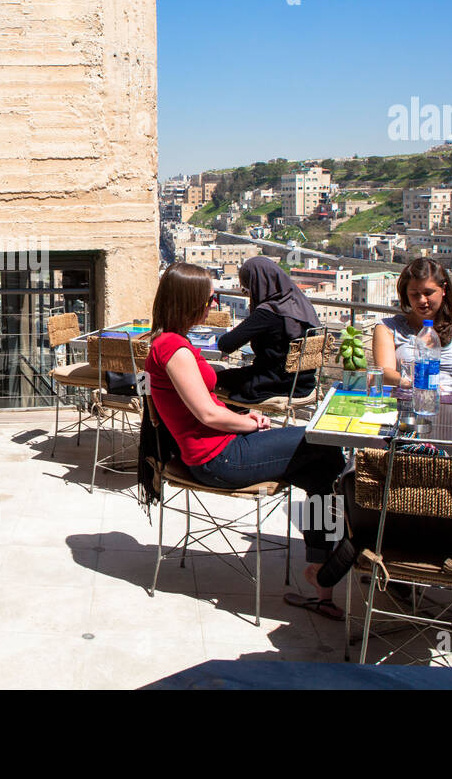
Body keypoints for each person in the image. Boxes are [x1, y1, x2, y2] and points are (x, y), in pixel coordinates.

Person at [144, 262, 352, 620]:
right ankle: (339, 549)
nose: (214, 303)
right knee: (322, 447)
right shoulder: (174, 349)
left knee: (323, 472)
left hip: (220, 447)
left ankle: (323, 576)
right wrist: (246, 422)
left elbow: (207, 406)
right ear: (190, 301)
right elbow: (207, 415)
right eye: (210, 298)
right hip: (216, 458)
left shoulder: (174, 344)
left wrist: (242, 419)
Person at [373, 257, 452, 393]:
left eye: (428, 293)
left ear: (443, 289)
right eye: (414, 294)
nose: (422, 300)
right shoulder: (388, 328)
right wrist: (410, 382)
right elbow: (385, 372)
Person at [214, 255, 322, 404]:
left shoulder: (268, 312)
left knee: (212, 380)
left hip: (272, 383)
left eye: (247, 288)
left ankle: (239, 425)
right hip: (303, 384)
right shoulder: (301, 305)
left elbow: (226, 344)